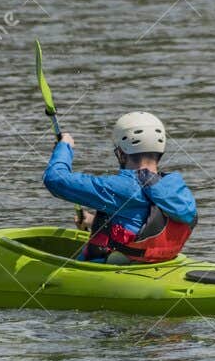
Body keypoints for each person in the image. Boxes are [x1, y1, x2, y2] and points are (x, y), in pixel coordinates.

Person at [43, 111, 197, 263]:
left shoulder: (122, 186)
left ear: (121, 153)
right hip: (161, 261)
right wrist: (95, 222)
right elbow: (147, 220)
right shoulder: (174, 186)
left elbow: (55, 179)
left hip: (123, 265)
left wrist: (64, 147)